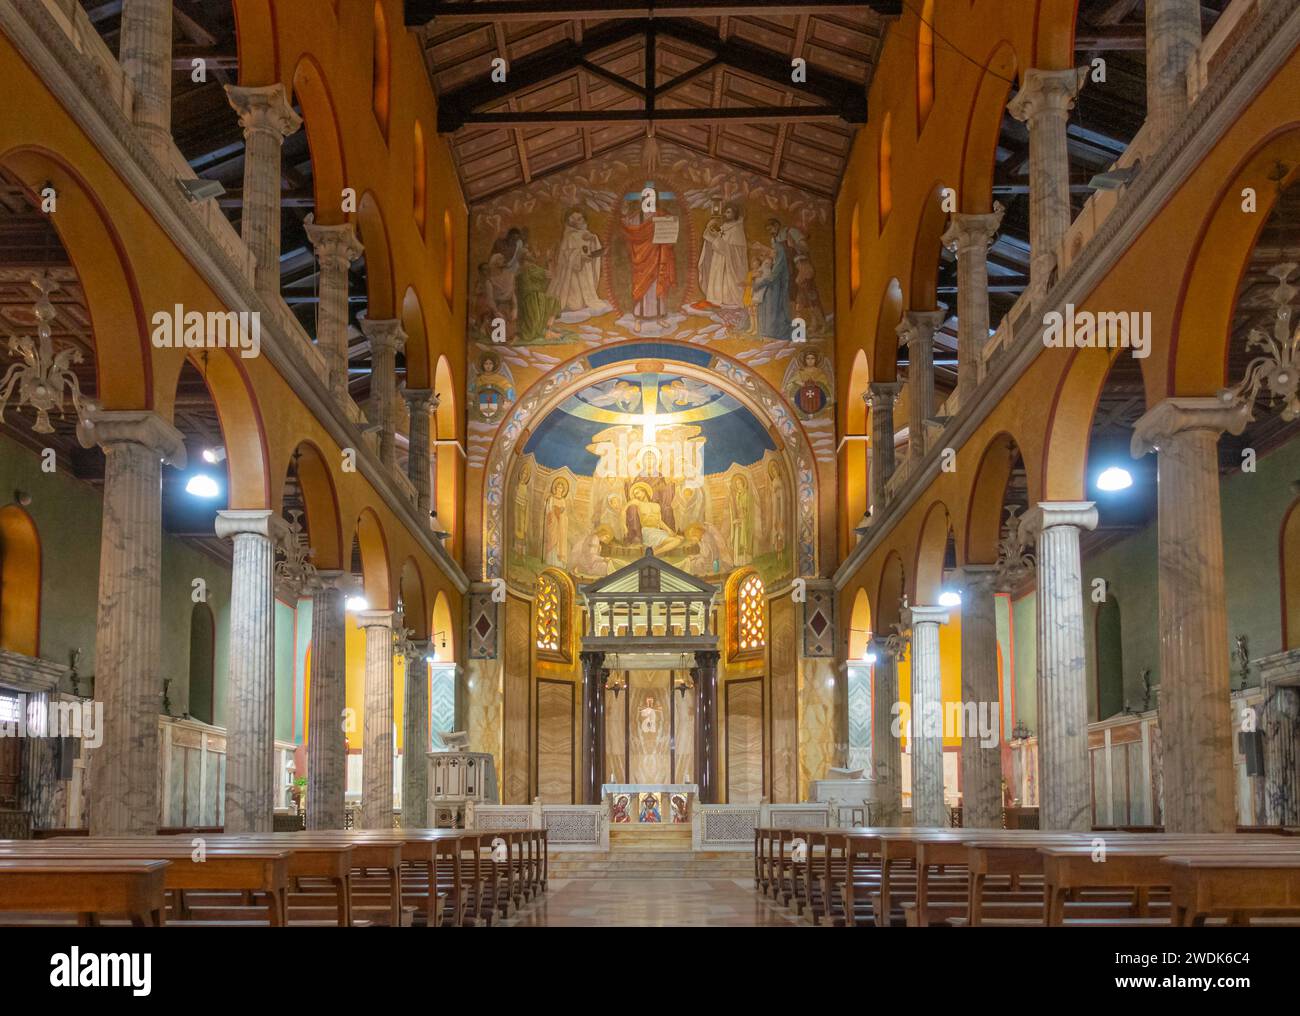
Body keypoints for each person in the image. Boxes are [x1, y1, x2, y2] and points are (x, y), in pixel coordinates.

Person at [548, 210, 606, 314]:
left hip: (584, 270)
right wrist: (580, 257)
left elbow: (591, 249)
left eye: (579, 219)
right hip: (571, 274)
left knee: (582, 303)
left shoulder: (586, 233)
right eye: (573, 219)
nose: (576, 222)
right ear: (568, 220)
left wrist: (593, 239)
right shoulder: (569, 235)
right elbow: (566, 256)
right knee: (575, 304)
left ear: (584, 220)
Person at [696, 203, 747, 307]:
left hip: (730, 263)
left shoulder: (737, 229)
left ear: (735, 213)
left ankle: (728, 300)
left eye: (728, 212)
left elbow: (735, 250)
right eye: (725, 212)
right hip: (719, 259)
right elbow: (715, 239)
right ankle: (716, 298)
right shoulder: (724, 227)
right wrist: (710, 228)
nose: (725, 214)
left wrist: (718, 240)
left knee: (726, 285)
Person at [752, 219, 791, 340]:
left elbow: (776, 271)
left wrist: (762, 282)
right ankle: (765, 332)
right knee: (765, 306)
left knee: (773, 308)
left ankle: (772, 332)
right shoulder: (773, 255)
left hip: (775, 284)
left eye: (771, 229)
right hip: (770, 284)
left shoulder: (779, 250)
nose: (770, 251)